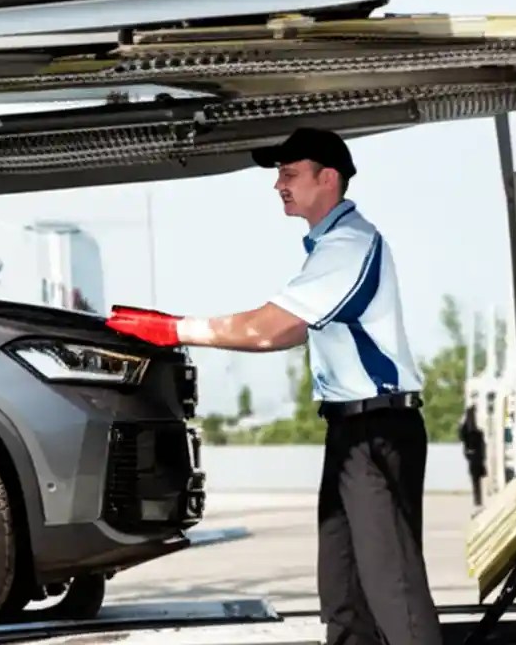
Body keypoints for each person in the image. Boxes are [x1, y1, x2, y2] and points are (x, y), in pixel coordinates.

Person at [105, 127, 443, 645]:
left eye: (289, 173)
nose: (278, 186)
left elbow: (272, 329)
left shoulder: (351, 246)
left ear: (327, 178)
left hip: (378, 428)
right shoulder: (327, 247)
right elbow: (288, 332)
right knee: (343, 588)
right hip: (350, 427)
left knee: (391, 585)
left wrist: (175, 329)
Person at [459, 405, 488, 507]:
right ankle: (478, 500)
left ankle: (478, 500)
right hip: (476, 456)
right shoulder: (472, 430)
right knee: (476, 479)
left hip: (474, 456)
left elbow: (462, 437)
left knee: (475, 479)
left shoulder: (469, 429)